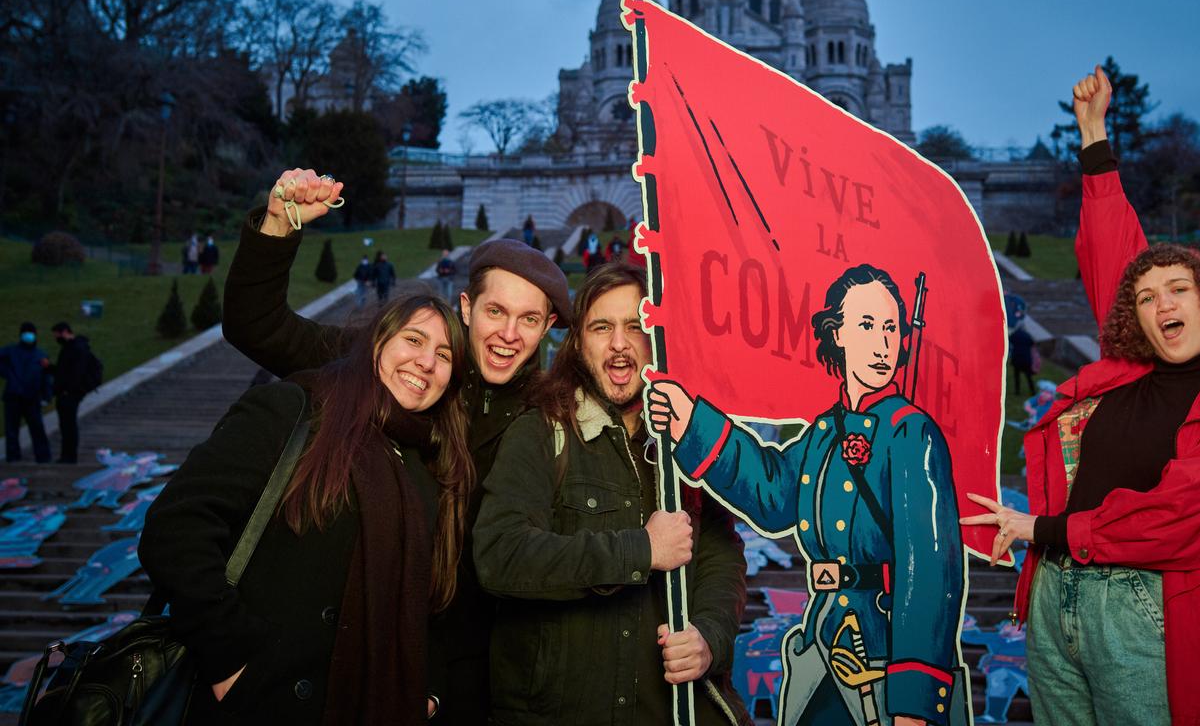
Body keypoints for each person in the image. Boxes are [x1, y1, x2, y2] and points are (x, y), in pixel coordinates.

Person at [961, 65, 1200, 726]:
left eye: (1177, 290)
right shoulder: (1125, 369)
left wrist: (1044, 529)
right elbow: (1117, 250)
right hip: (1054, 594)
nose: (1158, 302)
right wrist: (1093, 134)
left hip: (1143, 607)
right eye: (1144, 297)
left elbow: (1179, 518)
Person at [223, 167, 572, 723]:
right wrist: (278, 224)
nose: (509, 334)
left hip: (479, 680)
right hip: (357, 652)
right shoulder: (399, 366)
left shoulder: (555, 416)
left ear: (549, 326)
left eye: (529, 319)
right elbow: (256, 325)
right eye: (495, 311)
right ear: (465, 307)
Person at [647, 263, 965, 726]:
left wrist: (914, 702)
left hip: (884, 659)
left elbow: (930, 571)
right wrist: (690, 421)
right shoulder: (824, 433)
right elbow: (775, 495)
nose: (882, 343)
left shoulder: (912, 432)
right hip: (824, 648)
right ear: (836, 334)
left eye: (892, 327)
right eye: (867, 325)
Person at [141, 294, 475, 725]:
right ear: (376, 343)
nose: (426, 362)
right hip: (260, 703)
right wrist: (229, 657)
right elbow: (176, 526)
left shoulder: (429, 467)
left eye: (444, 355)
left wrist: (427, 688)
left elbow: (432, 601)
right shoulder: (295, 410)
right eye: (414, 339)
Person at [474, 263, 750, 725]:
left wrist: (709, 640)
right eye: (602, 327)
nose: (620, 343)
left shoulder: (689, 443)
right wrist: (640, 550)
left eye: (636, 327)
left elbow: (723, 557)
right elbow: (500, 554)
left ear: (658, 341)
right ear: (579, 343)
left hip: (665, 711)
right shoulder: (540, 431)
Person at [47, 322, 102, 464]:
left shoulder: (76, 348)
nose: (56, 338)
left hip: (70, 394)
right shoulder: (72, 348)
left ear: (65, 332)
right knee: (67, 425)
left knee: (68, 425)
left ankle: (69, 456)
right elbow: (63, 371)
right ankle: (67, 455)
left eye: (57, 335)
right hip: (68, 393)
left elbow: (73, 373)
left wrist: (68, 390)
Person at [1, 322, 52, 463]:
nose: (28, 335)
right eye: (26, 332)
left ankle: (43, 458)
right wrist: (7, 374)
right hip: (14, 396)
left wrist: (47, 395)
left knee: (37, 429)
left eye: (30, 332)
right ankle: (13, 458)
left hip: (32, 397)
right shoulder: (11, 351)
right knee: (12, 430)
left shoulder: (41, 355)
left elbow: (46, 376)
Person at [1009, 321, 1037, 397]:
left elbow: (1009, 341)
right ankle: (1033, 391)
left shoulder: (1014, 335)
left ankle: (1017, 391)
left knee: (1016, 376)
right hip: (1026, 359)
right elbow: (1032, 344)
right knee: (1028, 376)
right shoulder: (1028, 335)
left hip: (1017, 358)